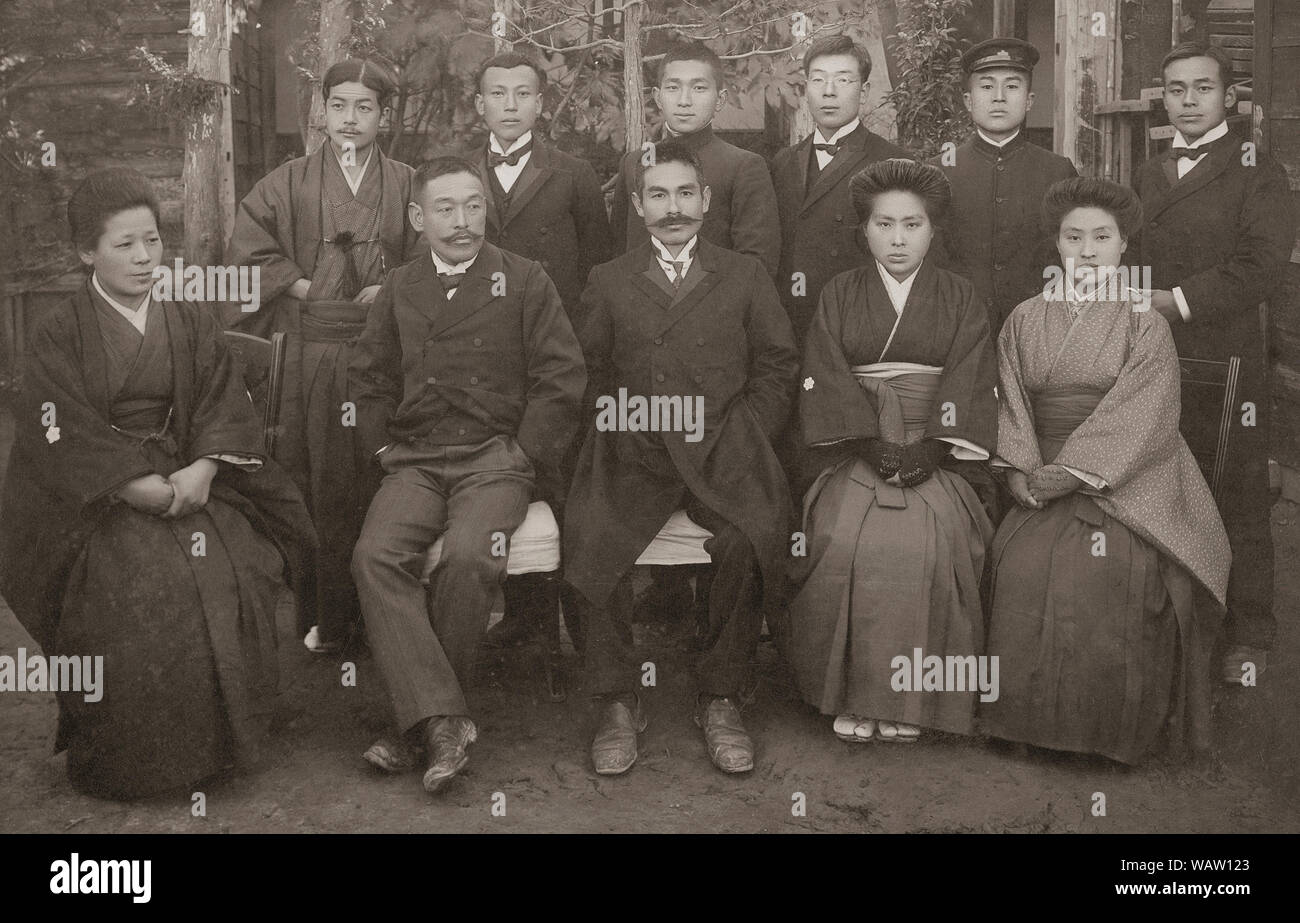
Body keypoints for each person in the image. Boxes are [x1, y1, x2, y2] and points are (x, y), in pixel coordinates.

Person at [0, 168, 317, 799]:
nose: (145, 258)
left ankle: (224, 747)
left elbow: (221, 400)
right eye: (124, 244)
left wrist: (202, 467)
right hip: (99, 496)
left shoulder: (187, 317)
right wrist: (127, 484)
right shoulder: (58, 331)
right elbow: (54, 426)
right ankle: (133, 760)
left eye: (152, 240)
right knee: (139, 584)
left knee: (235, 564)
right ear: (86, 252)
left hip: (193, 474)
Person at [348, 157, 585, 794]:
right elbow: (368, 380)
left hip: (493, 459)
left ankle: (420, 724)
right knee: (374, 556)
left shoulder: (525, 279)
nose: (462, 223)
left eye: (474, 206)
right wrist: (380, 454)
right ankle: (444, 721)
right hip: (416, 458)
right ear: (418, 218)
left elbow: (560, 380)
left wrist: (522, 455)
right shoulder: (400, 286)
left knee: (471, 557)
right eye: (446, 209)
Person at [564, 142, 798, 776]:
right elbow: (587, 373)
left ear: (707, 201)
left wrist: (746, 427)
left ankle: (721, 694)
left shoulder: (743, 274)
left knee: (749, 538)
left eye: (685, 195)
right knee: (590, 536)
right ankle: (616, 700)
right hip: (634, 446)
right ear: (637, 206)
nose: (674, 210)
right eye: (659, 196)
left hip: (723, 444)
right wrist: (616, 426)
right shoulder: (609, 279)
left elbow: (777, 364)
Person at [982, 177, 1231, 763]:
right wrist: (1018, 468)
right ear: (1057, 245)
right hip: (1040, 468)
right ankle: (1025, 725)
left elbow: (1144, 414)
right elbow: (1009, 399)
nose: (1087, 250)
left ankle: (1106, 735)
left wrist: (1070, 473)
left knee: (1113, 572)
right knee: (1018, 563)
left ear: (1124, 246)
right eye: (1074, 237)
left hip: (1128, 475)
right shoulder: (1023, 318)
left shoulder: (1144, 320)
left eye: (1101, 237)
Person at [782, 160, 997, 745]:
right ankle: (852, 692)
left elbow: (972, 376)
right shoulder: (839, 293)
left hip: (936, 452)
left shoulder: (959, 296)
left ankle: (913, 698)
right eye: (884, 224)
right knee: (841, 538)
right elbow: (823, 373)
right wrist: (864, 441)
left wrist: (932, 447)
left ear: (933, 231)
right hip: (858, 448)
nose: (898, 239)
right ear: (865, 230)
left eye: (912, 224)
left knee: (930, 544)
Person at [225, 58, 423, 654]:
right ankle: (324, 618)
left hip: (385, 357)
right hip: (311, 354)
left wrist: (391, 289)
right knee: (315, 481)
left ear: (384, 116)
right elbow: (248, 248)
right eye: (339, 105)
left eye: (365, 107)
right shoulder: (287, 181)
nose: (350, 118)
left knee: (381, 476)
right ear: (322, 109)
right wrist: (299, 284)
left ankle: (389, 618)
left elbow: (433, 251)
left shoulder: (410, 182)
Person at [1132, 41, 1296, 683]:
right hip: (1155, 350)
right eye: (1177, 89)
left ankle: (1248, 634)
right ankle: (1171, 625)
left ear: (1229, 97)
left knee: (1235, 492)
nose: (1189, 101)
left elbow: (1259, 267)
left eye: (1202, 88)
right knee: (1160, 482)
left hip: (1227, 358)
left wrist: (1175, 301)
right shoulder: (1148, 172)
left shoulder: (1258, 169)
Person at [608, 40, 783, 625]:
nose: (685, 99)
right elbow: (627, 258)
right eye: (673, 87)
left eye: (699, 87)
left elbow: (757, 261)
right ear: (656, 95)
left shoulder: (742, 165)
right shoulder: (638, 162)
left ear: (719, 95)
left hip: (718, 365)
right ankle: (664, 594)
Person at [470, 50, 611, 650]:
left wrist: (575, 348)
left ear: (540, 104)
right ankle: (523, 624)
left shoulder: (573, 173)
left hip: (555, 358)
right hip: (483, 357)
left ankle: (577, 630)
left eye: (522, 94)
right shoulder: (456, 175)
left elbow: (598, 269)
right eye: (497, 94)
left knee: (561, 482)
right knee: (504, 481)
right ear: (480, 106)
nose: (509, 105)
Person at [931, 37, 1078, 336]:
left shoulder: (1057, 170)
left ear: (1029, 100)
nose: (999, 97)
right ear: (968, 100)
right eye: (986, 86)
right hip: (957, 328)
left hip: (1040, 329)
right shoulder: (938, 170)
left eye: (1012, 86)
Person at [771, 34, 908, 349]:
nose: (828, 91)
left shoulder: (891, 162)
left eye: (843, 80)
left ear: (864, 91)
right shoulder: (782, 162)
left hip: (859, 327)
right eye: (818, 80)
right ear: (806, 89)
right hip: (791, 326)